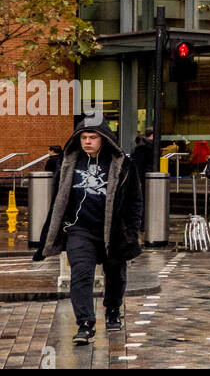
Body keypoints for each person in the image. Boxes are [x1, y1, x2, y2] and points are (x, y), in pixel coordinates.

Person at [33, 123, 143, 346]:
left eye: (93, 137)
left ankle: (113, 309)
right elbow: (58, 197)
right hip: (79, 229)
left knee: (115, 274)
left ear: (104, 139)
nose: (88, 141)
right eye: (84, 137)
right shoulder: (68, 162)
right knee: (81, 275)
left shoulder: (122, 164)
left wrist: (132, 230)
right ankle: (85, 324)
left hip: (112, 229)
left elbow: (135, 200)